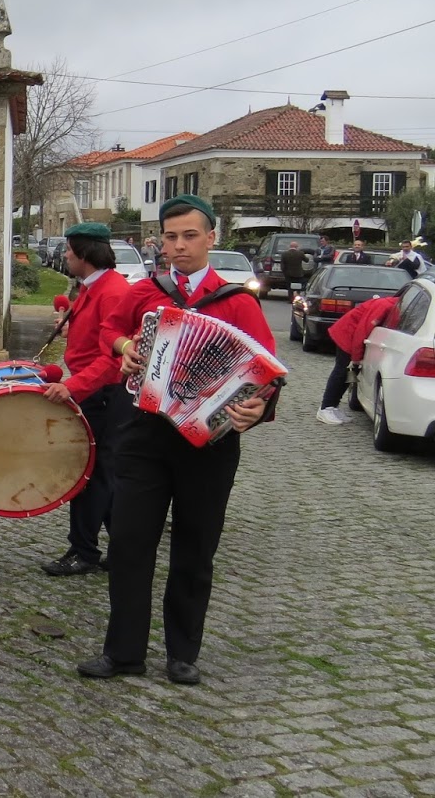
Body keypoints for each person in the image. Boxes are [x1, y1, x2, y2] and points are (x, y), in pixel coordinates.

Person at [79, 194, 274, 686]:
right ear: (159, 240)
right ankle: (123, 652)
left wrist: (259, 405)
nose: (179, 246)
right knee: (128, 543)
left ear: (212, 238)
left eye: (190, 236)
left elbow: (265, 368)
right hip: (145, 433)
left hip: (208, 440)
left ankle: (182, 653)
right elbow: (110, 331)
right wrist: (126, 350)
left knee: (195, 546)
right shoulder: (145, 292)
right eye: (171, 236)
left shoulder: (236, 301)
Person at [39, 223, 130, 577]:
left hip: (102, 395)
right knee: (103, 475)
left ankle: (84, 552)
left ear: (84, 255)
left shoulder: (112, 292)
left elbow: (113, 357)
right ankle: (122, 549)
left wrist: (75, 386)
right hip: (93, 392)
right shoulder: (94, 287)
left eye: (69, 251)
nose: (64, 256)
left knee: (89, 476)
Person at [316, 294, 400, 425]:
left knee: (350, 373)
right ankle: (325, 407)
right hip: (346, 335)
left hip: (349, 335)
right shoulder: (385, 306)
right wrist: (356, 358)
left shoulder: (389, 305)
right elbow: (362, 331)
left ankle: (333, 406)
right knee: (342, 371)